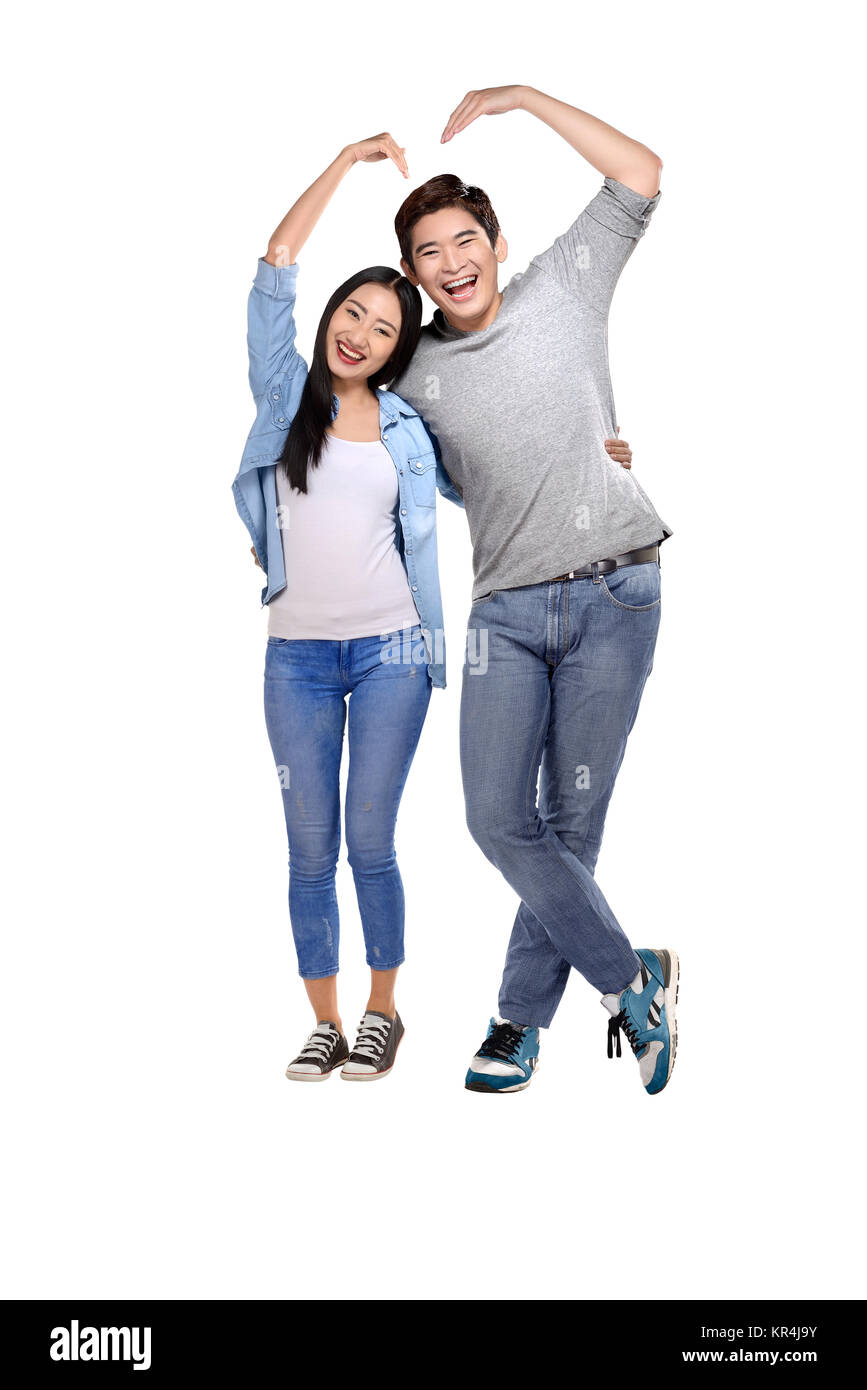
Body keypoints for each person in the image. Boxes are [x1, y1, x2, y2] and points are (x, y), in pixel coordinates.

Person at [389, 86, 678, 1095]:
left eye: (466, 238)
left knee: (572, 820)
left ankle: (518, 1021)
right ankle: (632, 975)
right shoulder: (413, 370)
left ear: (497, 242)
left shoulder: (567, 284)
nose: (452, 263)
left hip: (617, 593)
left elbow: (639, 172)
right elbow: (425, 476)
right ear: (415, 273)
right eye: (429, 252)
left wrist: (521, 97)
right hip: (504, 612)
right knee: (497, 816)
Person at [232, 134, 463, 1083]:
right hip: (293, 657)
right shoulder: (286, 393)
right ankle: (322, 1023)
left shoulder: (409, 427)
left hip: (391, 656)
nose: (359, 332)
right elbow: (273, 270)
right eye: (352, 312)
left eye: (381, 326)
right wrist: (341, 162)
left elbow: (490, 476)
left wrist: (595, 457)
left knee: (368, 838)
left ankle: (382, 1012)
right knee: (306, 846)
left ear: (398, 350)